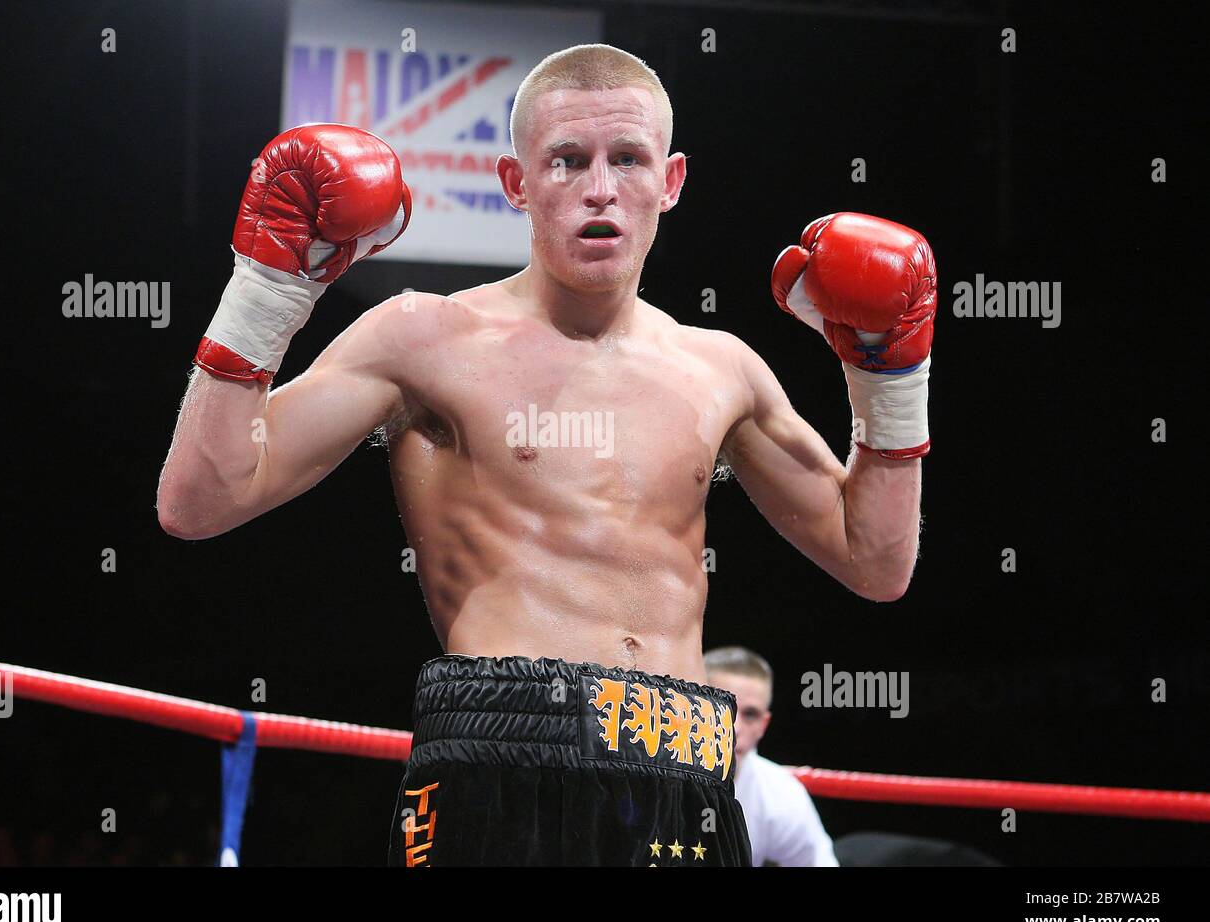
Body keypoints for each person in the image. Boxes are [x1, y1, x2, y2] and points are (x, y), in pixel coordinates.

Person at [157, 43, 933, 866]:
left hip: (687, 770)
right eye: (567, 160)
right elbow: (199, 499)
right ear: (516, 183)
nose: (600, 188)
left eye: (627, 159)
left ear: (669, 183)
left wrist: (891, 376)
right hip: (501, 754)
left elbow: (875, 560)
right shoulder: (424, 336)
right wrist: (268, 290)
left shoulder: (723, 369)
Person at [704, 646, 838, 866]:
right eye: (722, 708)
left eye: (749, 714)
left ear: (763, 726)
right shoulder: (646, 773)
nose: (735, 727)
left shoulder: (781, 794)